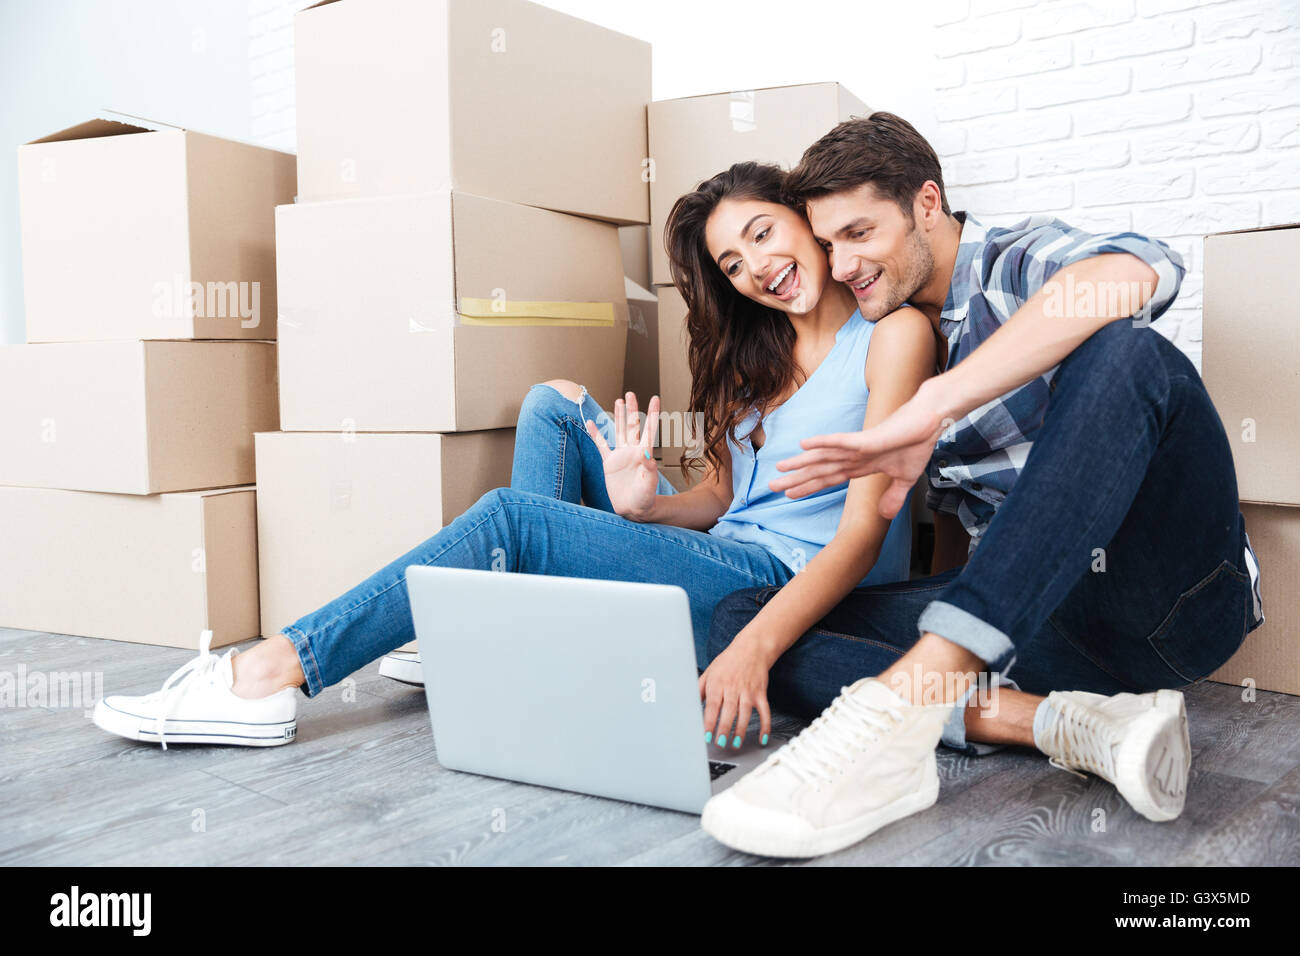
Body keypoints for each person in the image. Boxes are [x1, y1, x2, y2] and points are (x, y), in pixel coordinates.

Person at [90, 161, 937, 754]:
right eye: (732, 261)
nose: (757, 266)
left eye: (764, 233)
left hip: (771, 590)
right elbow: (723, 494)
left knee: (510, 521)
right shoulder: (756, 365)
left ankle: (272, 671)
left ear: (805, 219)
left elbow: (862, 535)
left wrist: (754, 645)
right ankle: (511, 633)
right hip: (722, 554)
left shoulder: (890, 336)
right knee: (552, 403)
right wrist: (645, 505)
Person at [697, 113, 1263, 860]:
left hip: (1171, 602)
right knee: (748, 622)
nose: (840, 266)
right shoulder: (894, 340)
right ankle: (1069, 725)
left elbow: (1135, 270)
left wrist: (938, 404)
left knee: (1131, 356)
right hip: (1043, 636)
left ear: (927, 204)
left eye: (860, 234)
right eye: (829, 244)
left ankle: (906, 705)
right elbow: (966, 541)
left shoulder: (1006, 263)